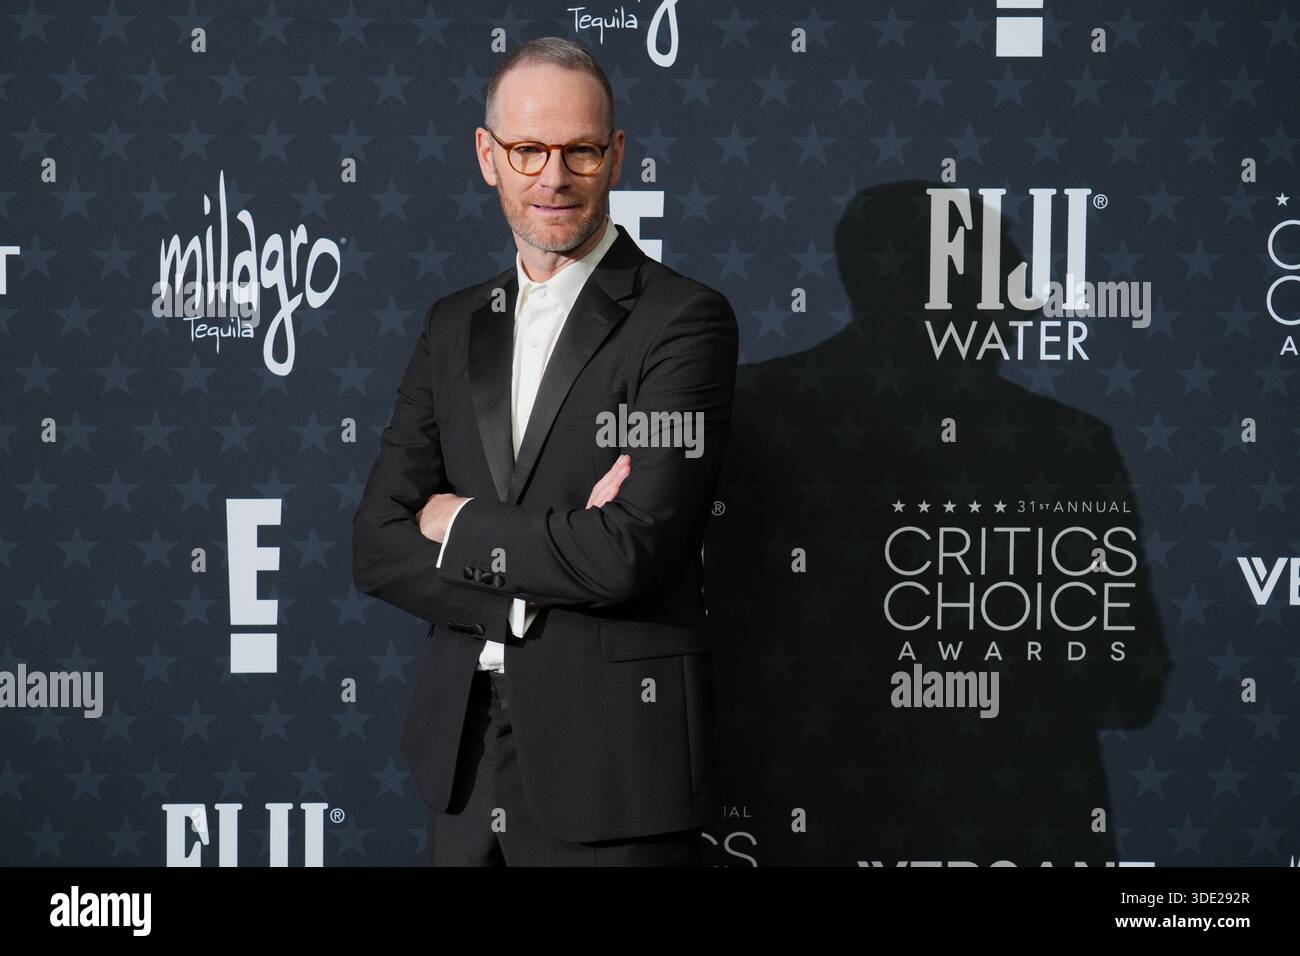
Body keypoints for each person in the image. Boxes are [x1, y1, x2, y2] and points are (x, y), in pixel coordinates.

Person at [351, 36, 738, 866]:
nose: (554, 177)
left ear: (618, 155)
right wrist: (522, 589)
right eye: (528, 150)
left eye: (581, 150)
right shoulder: (452, 324)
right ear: (487, 156)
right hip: (461, 760)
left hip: (616, 765)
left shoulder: (684, 322)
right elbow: (377, 545)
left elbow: (627, 552)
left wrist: (457, 522)